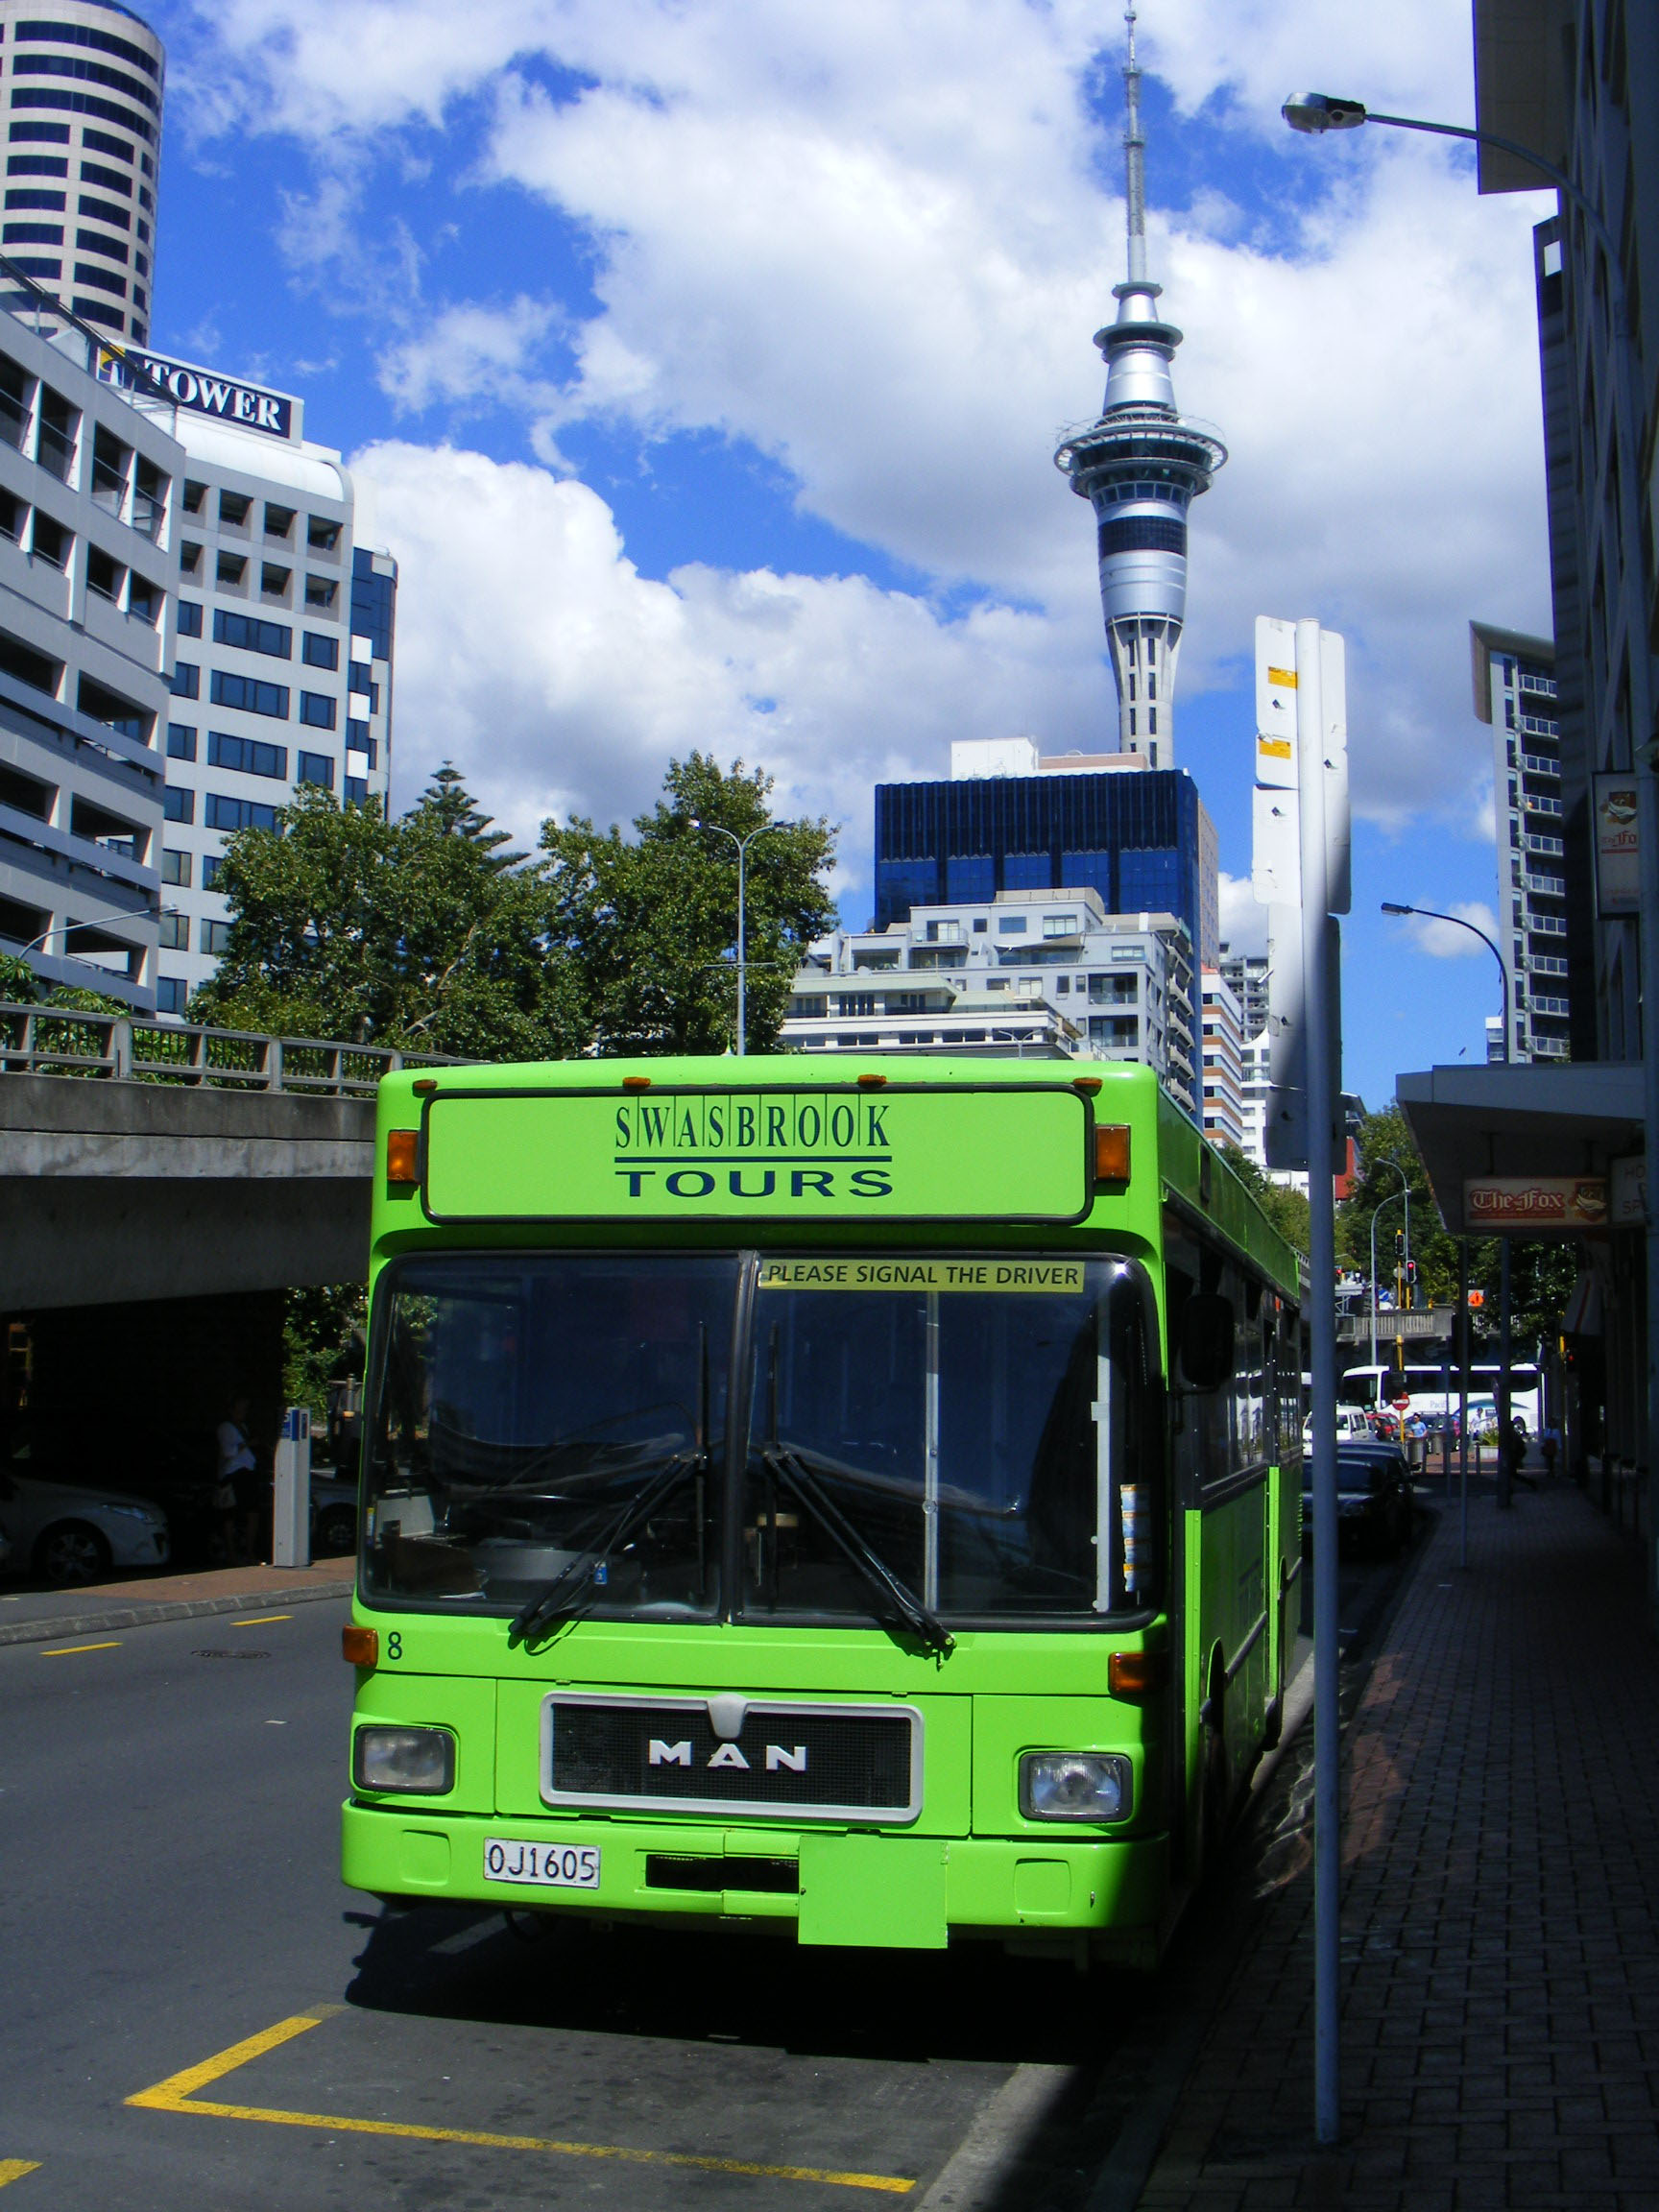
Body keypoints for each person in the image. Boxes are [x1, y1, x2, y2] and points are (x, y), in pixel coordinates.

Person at [216, 1395, 259, 1565]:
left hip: (247, 1473)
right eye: (240, 1409)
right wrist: (248, 1443)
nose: (243, 1413)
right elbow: (228, 1452)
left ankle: (249, 1552)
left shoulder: (243, 1427)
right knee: (230, 1516)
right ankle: (233, 1554)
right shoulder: (226, 1428)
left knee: (252, 1513)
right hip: (234, 1473)